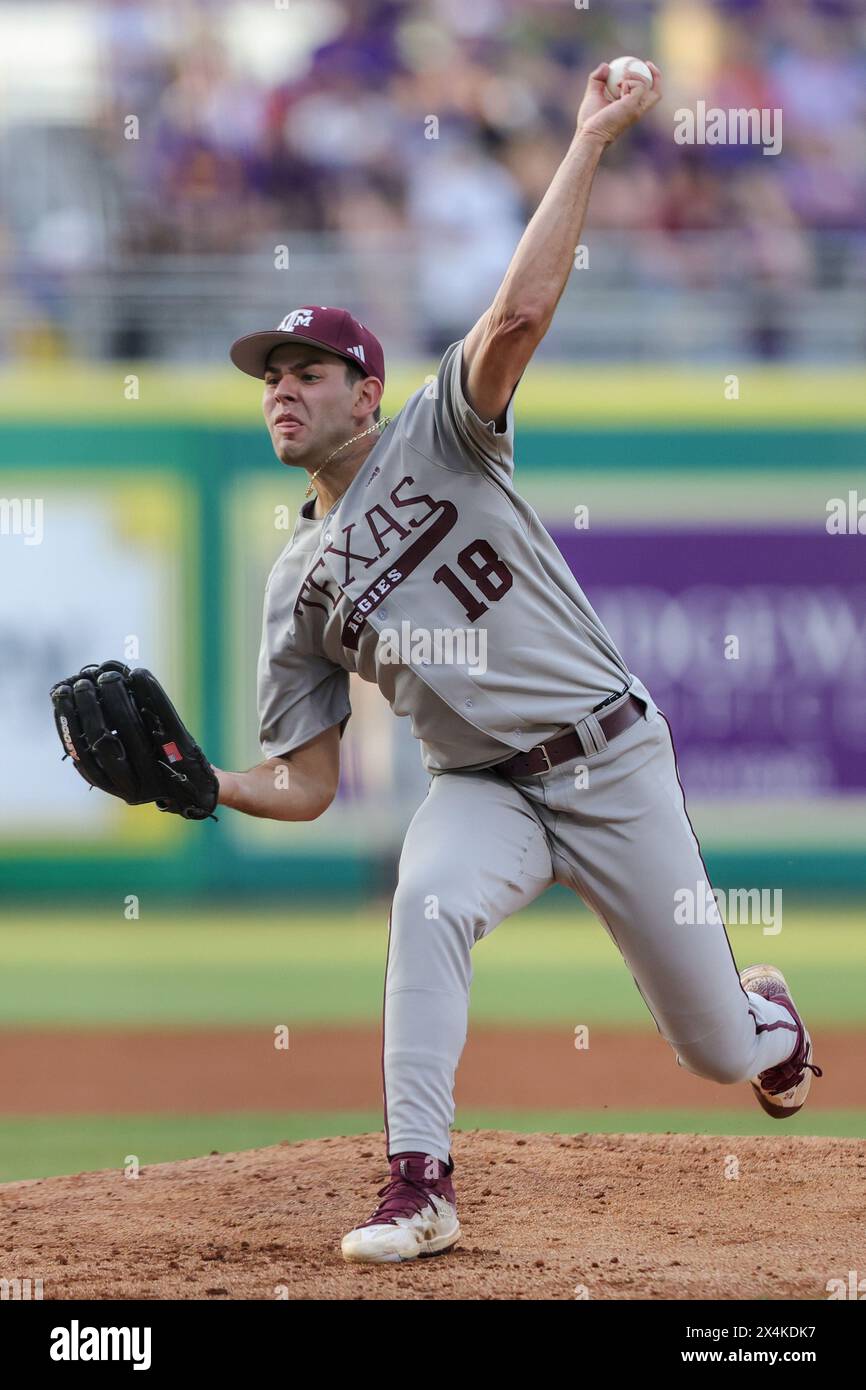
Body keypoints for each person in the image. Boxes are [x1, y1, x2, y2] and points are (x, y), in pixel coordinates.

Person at [215, 63, 821, 1265]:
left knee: (713, 1049)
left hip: (608, 759)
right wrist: (208, 786)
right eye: (270, 377)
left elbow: (514, 319)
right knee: (425, 899)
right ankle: (418, 1184)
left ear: (365, 394)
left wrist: (588, 137)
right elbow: (310, 781)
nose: (281, 389)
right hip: (480, 789)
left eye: (306, 371)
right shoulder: (295, 587)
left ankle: (768, 1021)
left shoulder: (438, 432)